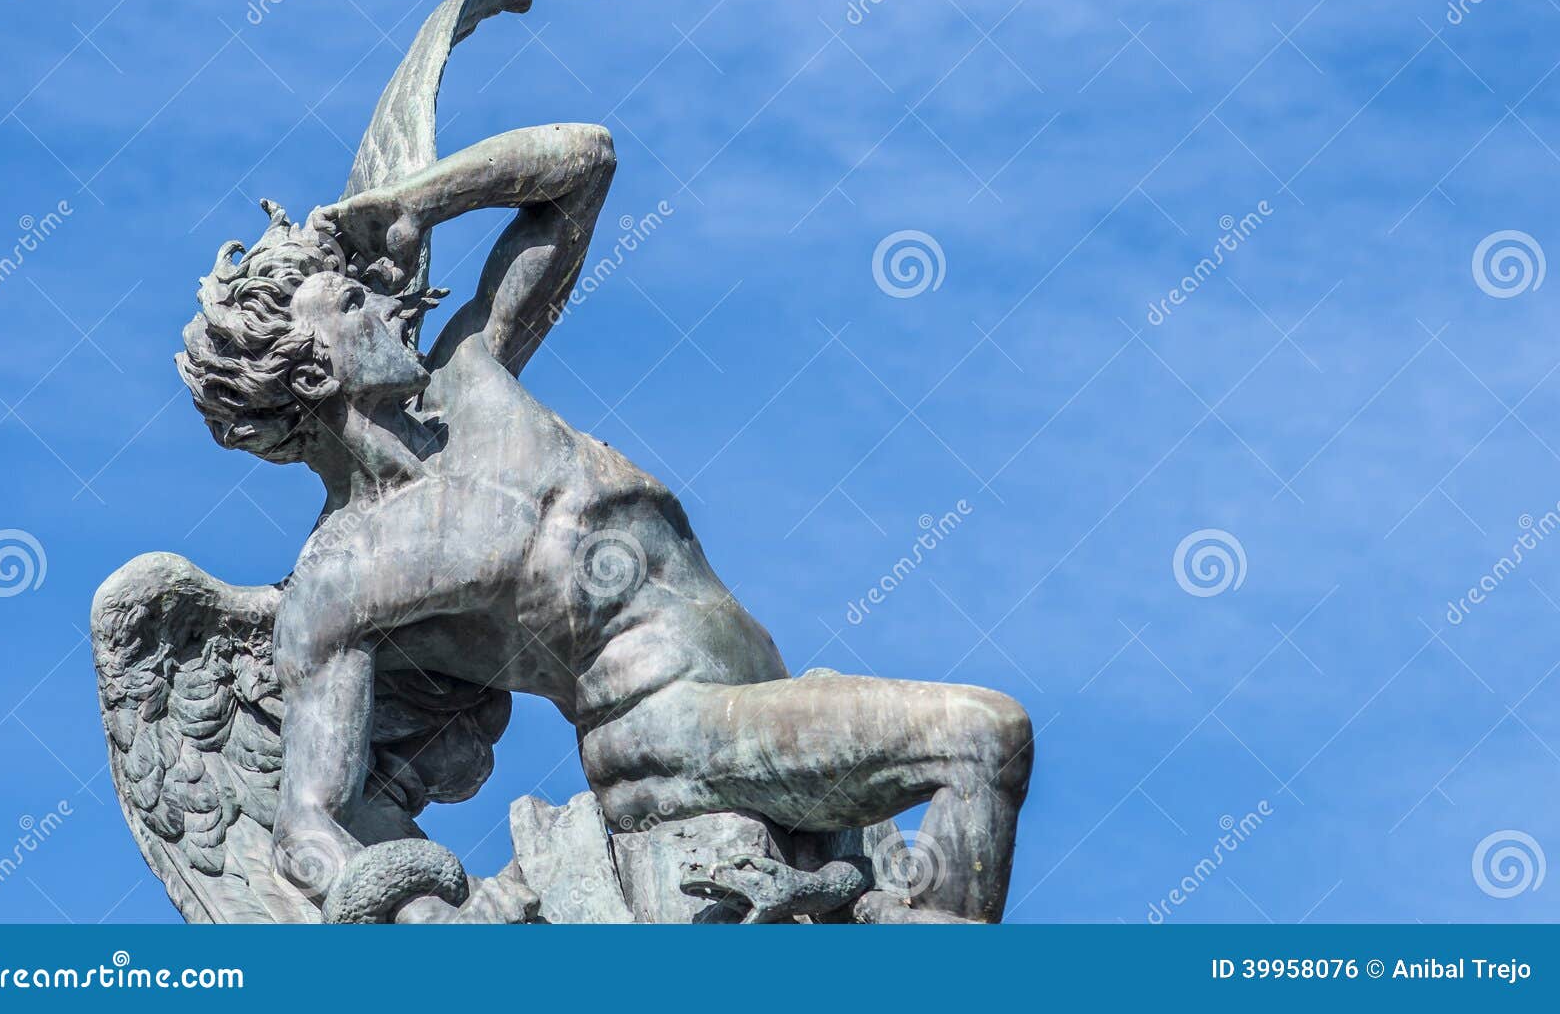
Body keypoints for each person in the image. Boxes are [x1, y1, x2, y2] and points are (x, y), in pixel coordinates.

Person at [177, 121, 1032, 922]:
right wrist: (418, 909)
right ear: (313, 370)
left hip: (766, 695)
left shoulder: (470, 375)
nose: (388, 301)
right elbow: (309, 823)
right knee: (981, 736)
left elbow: (585, 164)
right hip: (670, 730)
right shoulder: (341, 578)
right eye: (352, 304)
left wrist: (421, 200)